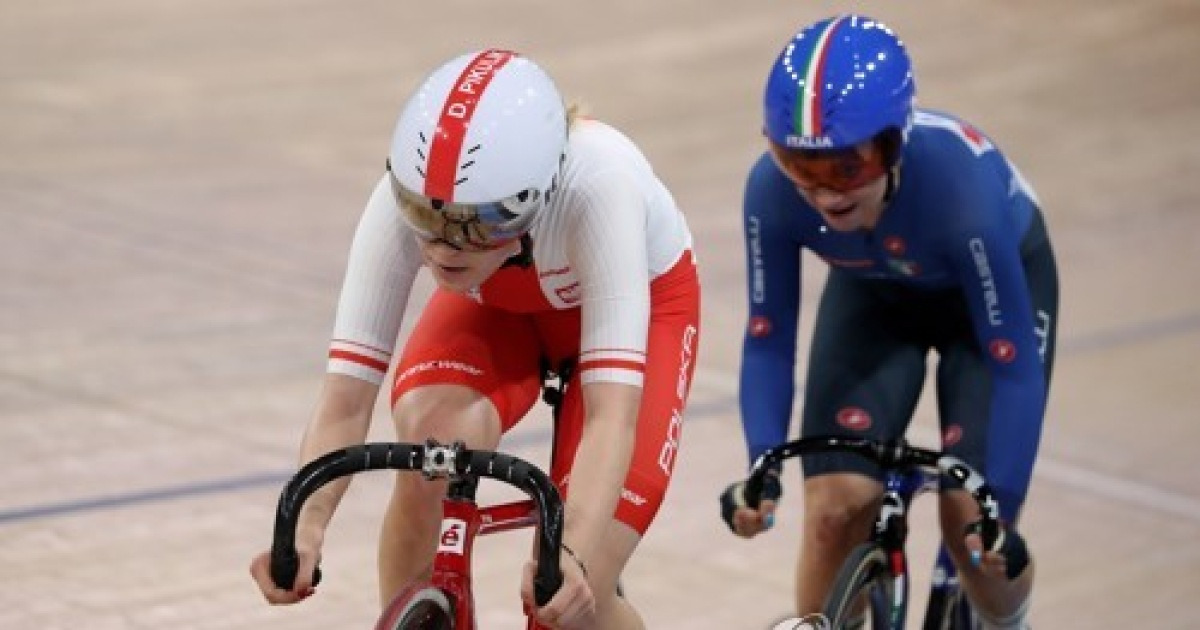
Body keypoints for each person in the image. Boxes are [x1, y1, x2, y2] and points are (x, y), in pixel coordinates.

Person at [248, 48, 701, 630]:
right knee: (431, 439)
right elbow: (345, 400)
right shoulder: (411, 205)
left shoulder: (600, 186)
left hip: (641, 306)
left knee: (568, 601)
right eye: (425, 221)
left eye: (472, 227)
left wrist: (572, 554)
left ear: (535, 196)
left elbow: (612, 418)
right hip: (499, 301)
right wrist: (306, 530)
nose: (439, 248)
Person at [719, 14, 1057, 630]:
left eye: (847, 168)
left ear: (895, 142)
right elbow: (767, 340)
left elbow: (1013, 370)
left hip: (981, 312)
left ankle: (1007, 623)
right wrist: (762, 465)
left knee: (971, 529)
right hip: (875, 296)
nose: (826, 195)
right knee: (832, 513)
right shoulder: (769, 192)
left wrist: (998, 508)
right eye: (801, 166)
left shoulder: (963, 194)